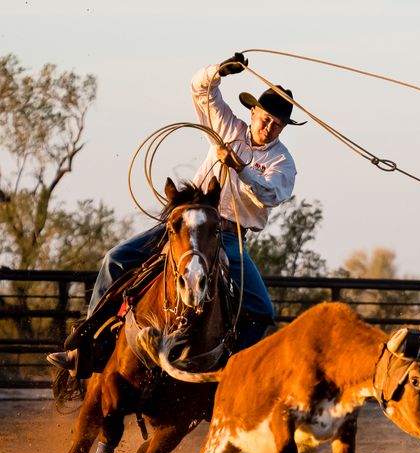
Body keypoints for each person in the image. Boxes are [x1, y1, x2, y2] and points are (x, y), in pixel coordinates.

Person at [47, 52, 304, 372]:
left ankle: (234, 372)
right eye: (265, 118)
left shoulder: (282, 162)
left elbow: (271, 195)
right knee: (115, 259)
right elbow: (200, 90)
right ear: (253, 112)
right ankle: (86, 347)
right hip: (186, 223)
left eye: (277, 125)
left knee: (261, 310)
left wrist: (241, 168)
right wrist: (218, 71)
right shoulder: (226, 125)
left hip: (229, 235)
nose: (269, 127)